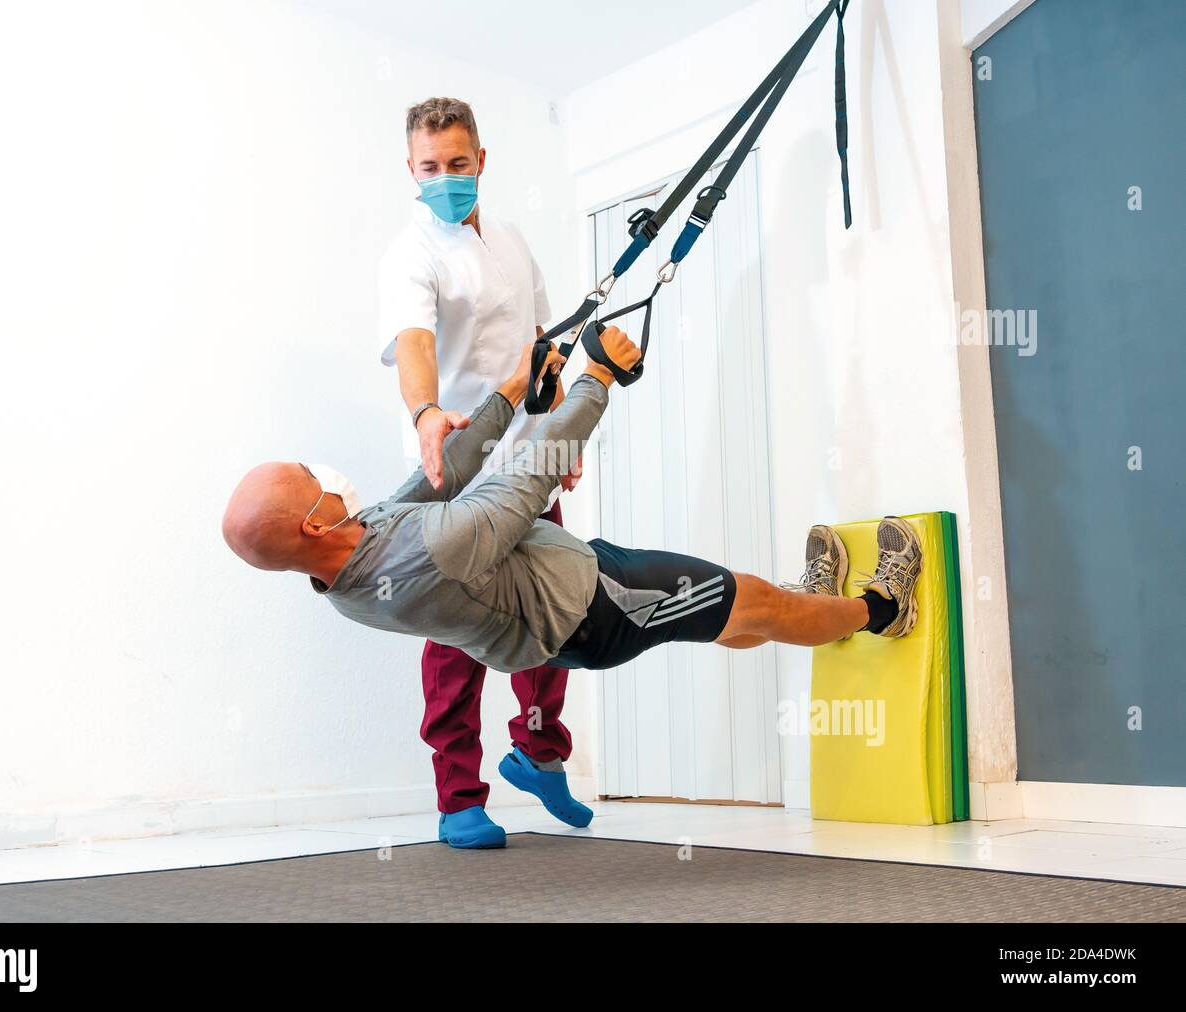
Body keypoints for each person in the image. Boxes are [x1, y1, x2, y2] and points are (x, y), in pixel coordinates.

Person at [223, 329, 925, 798]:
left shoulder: (346, 556)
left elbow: (442, 475)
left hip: (575, 587)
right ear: (312, 519)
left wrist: (513, 385)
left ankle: (813, 609)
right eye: (302, 472)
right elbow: (528, 479)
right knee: (749, 600)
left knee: (734, 611)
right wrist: (598, 378)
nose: (318, 467)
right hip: (597, 607)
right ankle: (880, 610)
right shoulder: (419, 555)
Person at [377, 96, 583, 848]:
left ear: (481, 161)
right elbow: (412, 341)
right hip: (455, 467)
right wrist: (427, 411)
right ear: (411, 169)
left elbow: (543, 344)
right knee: (459, 634)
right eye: (430, 168)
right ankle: (459, 796)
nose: (445, 179)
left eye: (457, 165)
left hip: (527, 461)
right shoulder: (412, 253)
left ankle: (538, 748)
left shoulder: (511, 238)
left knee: (557, 605)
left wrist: (563, 437)